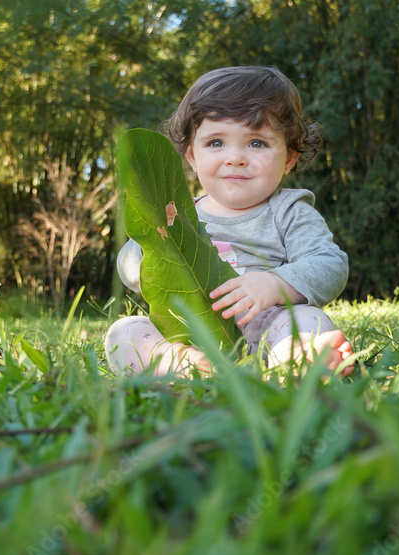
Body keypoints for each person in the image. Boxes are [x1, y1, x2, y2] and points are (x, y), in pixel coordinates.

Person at [106, 65, 354, 377]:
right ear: (192, 156)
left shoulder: (289, 211)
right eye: (216, 143)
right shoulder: (177, 214)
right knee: (123, 332)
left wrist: (274, 284)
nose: (235, 157)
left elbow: (330, 264)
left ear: (290, 158)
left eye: (257, 143)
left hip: (270, 327)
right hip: (189, 330)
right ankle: (180, 363)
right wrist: (151, 238)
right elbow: (130, 274)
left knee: (307, 319)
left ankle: (297, 357)